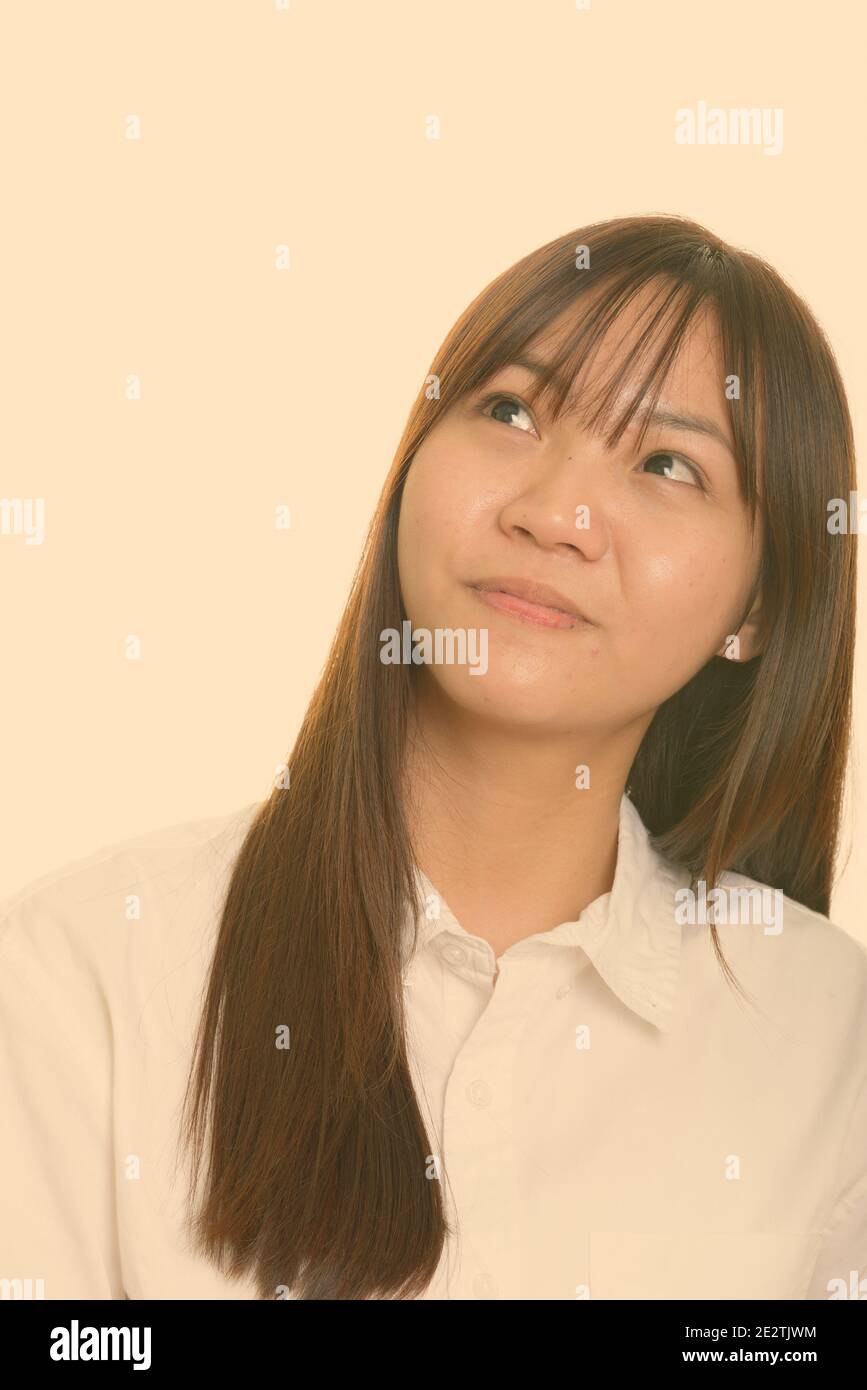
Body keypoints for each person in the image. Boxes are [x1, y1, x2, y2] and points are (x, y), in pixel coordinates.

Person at [1, 213, 865, 1301]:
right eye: (510, 409)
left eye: (666, 462)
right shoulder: (89, 976)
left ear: (759, 608)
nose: (557, 514)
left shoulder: (835, 1049)